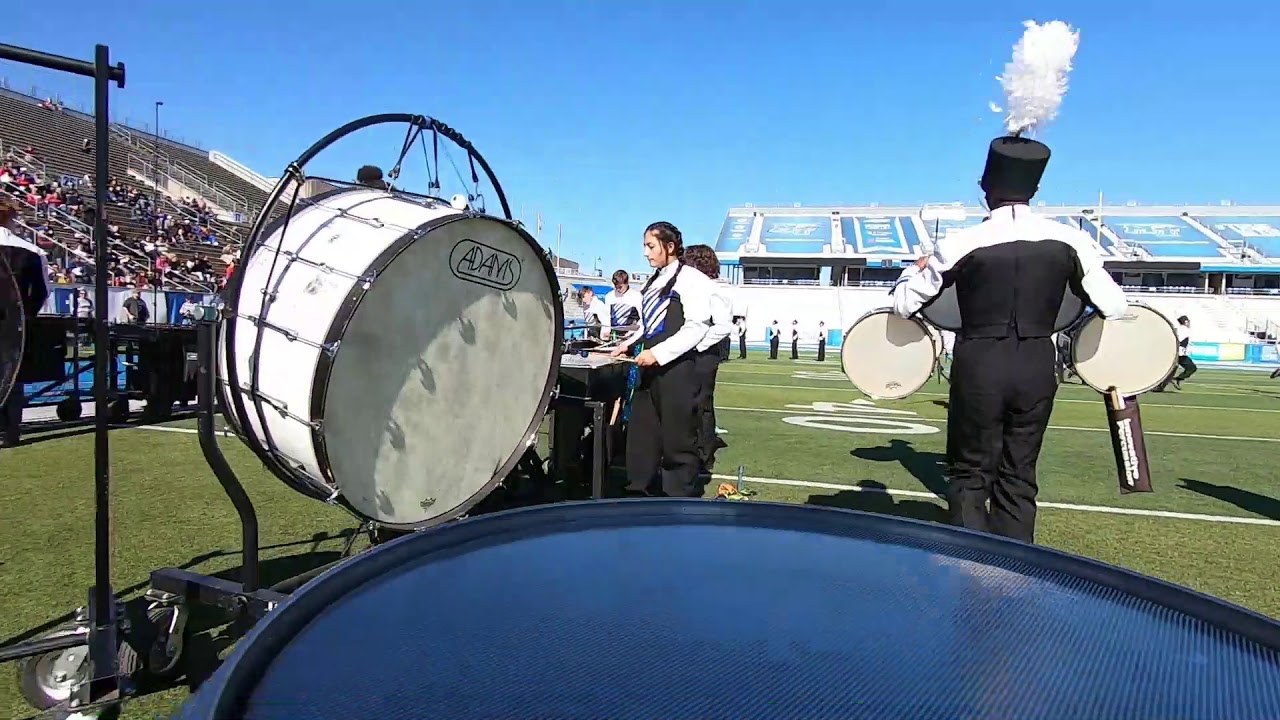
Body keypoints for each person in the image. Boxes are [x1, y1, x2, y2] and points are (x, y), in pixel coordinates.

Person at [890, 134, 1128, 544]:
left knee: (970, 471)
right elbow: (1114, 305)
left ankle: (969, 563)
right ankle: (1016, 565)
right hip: (1037, 363)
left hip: (979, 362)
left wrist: (915, 269)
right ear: (1035, 189)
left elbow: (904, 305)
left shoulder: (959, 242)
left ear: (986, 190)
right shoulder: (1070, 241)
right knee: (1019, 472)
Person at [610, 221, 714, 497]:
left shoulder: (692, 279)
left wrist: (658, 354)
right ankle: (638, 489)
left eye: (650, 246)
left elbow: (697, 327)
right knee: (642, 432)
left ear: (669, 246)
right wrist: (626, 345)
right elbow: (647, 326)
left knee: (677, 438)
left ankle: (677, 496)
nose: (645, 253)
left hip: (677, 370)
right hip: (649, 370)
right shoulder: (653, 280)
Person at [0, 197, 51, 447]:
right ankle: (9, 431)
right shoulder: (32, 252)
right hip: (14, 324)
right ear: (12, 219)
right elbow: (41, 292)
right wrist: (26, 315)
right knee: (12, 376)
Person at [682, 244, 732, 470]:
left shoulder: (714, 289)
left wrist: (697, 345)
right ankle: (695, 447)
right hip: (696, 352)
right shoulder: (699, 288)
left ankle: (704, 454)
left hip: (704, 354)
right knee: (691, 403)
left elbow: (723, 326)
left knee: (702, 404)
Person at [1155, 316, 1197, 391]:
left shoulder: (1179, 329)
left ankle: (1161, 386)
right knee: (1191, 368)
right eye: (1188, 321)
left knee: (1172, 370)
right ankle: (1174, 380)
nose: (1189, 323)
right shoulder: (1184, 330)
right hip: (1179, 353)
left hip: (1178, 353)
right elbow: (1178, 340)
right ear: (1186, 322)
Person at [602, 269, 642, 340]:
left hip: (632, 334)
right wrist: (605, 331)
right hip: (614, 334)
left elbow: (642, 318)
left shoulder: (637, 296)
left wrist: (633, 331)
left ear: (627, 283)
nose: (618, 289)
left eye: (620, 287)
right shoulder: (609, 296)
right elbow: (606, 317)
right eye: (616, 287)